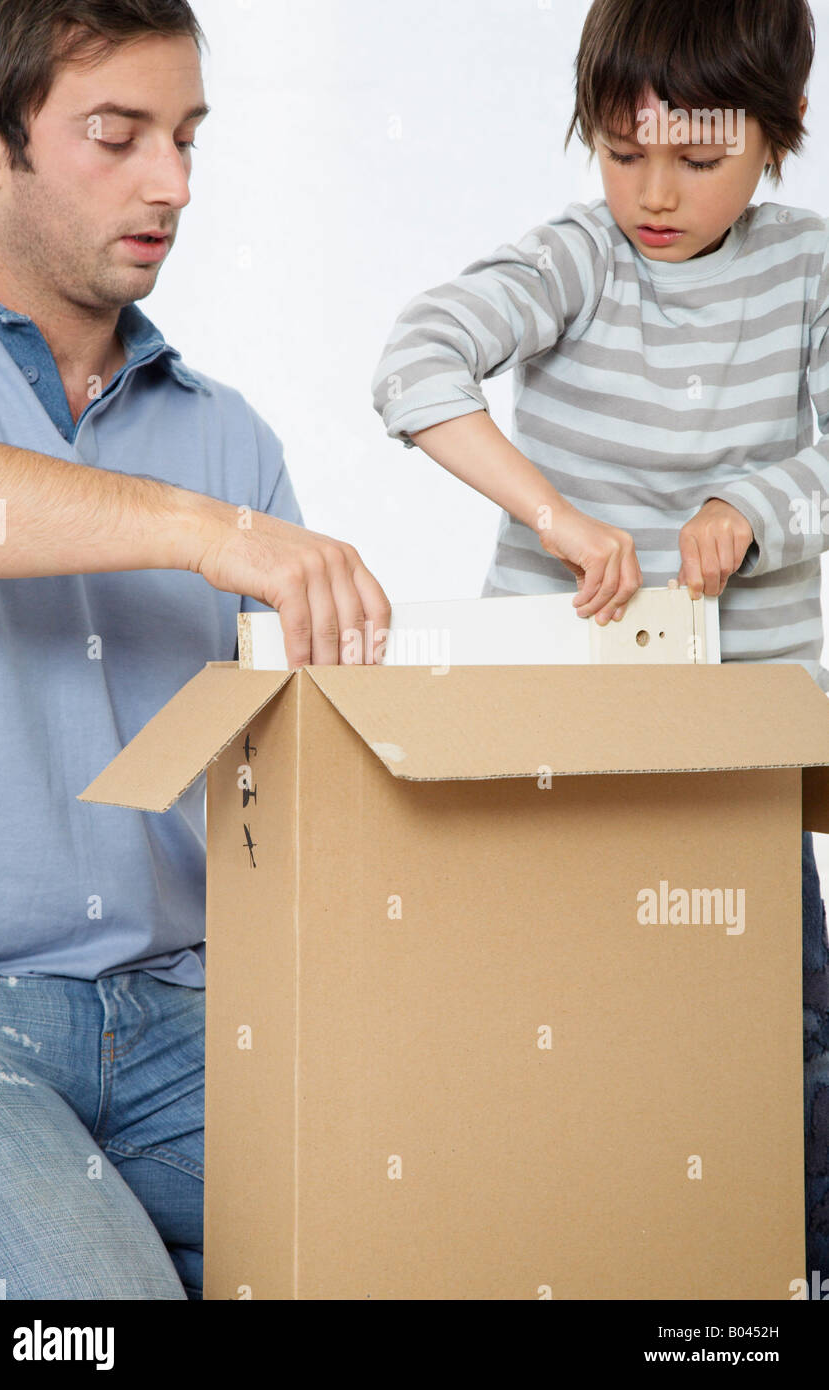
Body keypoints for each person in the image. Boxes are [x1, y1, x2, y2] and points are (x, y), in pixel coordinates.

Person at [372, 0, 829, 1283]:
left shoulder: (804, 272)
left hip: (734, 758)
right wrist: (554, 516)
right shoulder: (575, 257)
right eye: (624, 155)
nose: (654, 194)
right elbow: (413, 364)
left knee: (777, 1032)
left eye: (696, 160)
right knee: (553, 1021)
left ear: (777, 136)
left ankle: (787, 1268)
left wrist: (755, 507)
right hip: (559, 746)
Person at [0, 0, 389, 1300]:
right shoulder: (220, 506)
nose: (173, 184)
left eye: (187, 138)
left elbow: (306, 772)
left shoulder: (231, 438)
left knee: (443, 1212)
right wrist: (201, 533)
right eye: (118, 135)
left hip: (193, 1011)